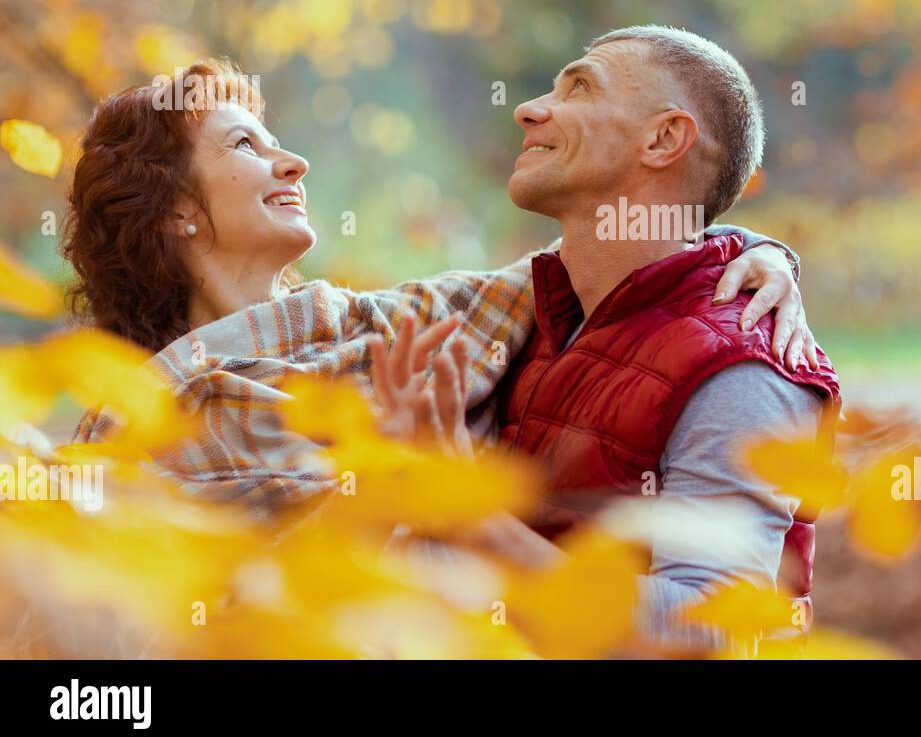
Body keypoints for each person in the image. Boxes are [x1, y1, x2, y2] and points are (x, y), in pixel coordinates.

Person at [66, 59, 814, 528]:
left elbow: (604, 255)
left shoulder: (385, 330)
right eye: (244, 146)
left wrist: (751, 249)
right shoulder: (136, 432)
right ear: (177, 211)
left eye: (276, 140)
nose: (293, 162)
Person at [496, 25, 841, 654]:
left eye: (578, 87)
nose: (529, 109)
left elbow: (706, 626)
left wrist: (475, 531)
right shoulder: (523, 313)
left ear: (663, 139)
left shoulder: (741, 367)